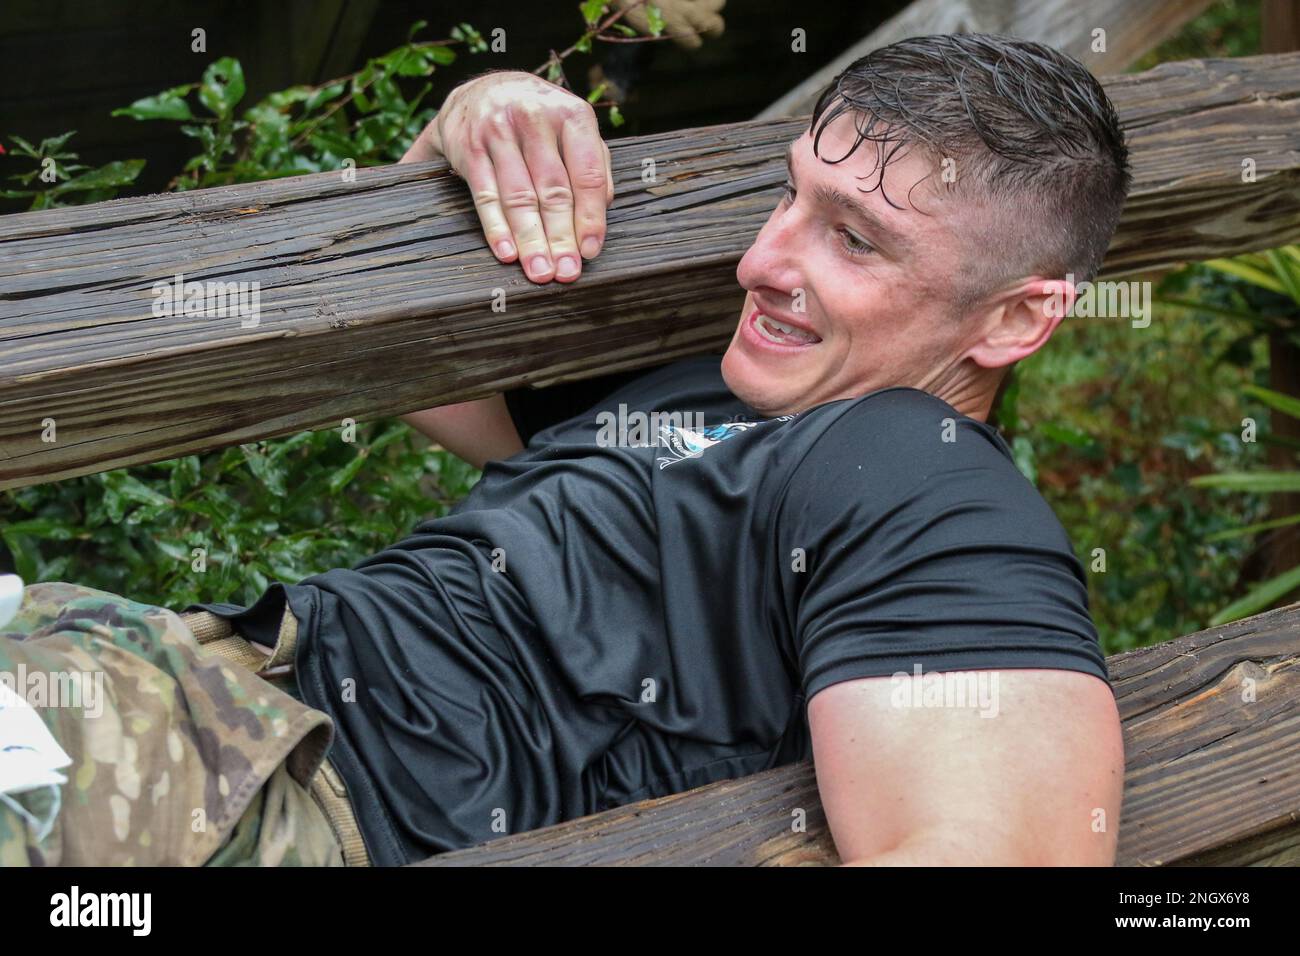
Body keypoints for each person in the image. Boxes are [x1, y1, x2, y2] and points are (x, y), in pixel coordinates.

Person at [0, 33, 1126, 867]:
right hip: (171, 671)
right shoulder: (737, 381)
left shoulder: (923, 478)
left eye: (853, 238)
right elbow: (444, 397)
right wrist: (468, 115)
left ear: (1016, 320)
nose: (760, 260)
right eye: (789, 195)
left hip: (287, 791)